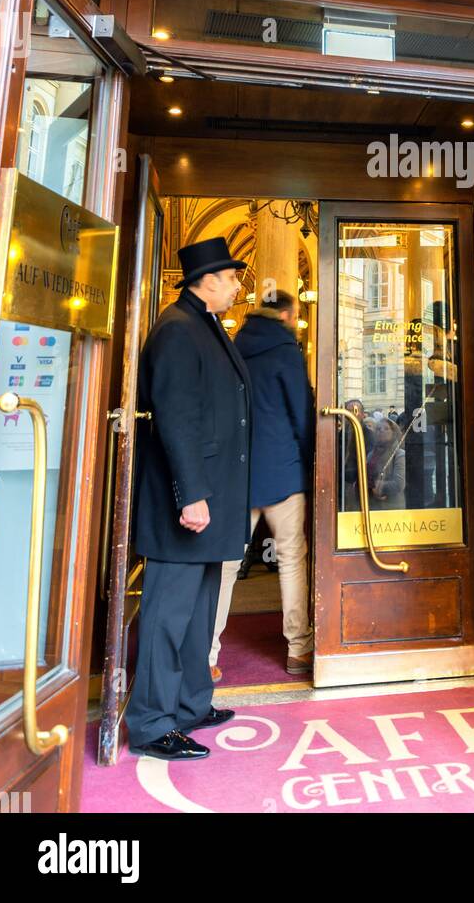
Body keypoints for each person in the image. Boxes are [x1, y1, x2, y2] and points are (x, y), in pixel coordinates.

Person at [126, 236, 251, 762]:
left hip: (209, 495)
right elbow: (177, 419)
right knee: (167, 613)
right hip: (188, 499)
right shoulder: (178, 330)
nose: (239, 286)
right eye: (231, 277)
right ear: (208, 281)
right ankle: (152, 724)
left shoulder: (202, 325)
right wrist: (191, 494)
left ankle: (190, 705)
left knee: (198, 610)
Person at [209, 290, 315, 678]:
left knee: (225, 564)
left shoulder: (234, 345)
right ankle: (299, 648)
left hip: (239, 473)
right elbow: (302, 413)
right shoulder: (287, 351)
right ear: (288, 314)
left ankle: (207, 654)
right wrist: (309, 463)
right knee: (291, 558)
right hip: (283, 471)